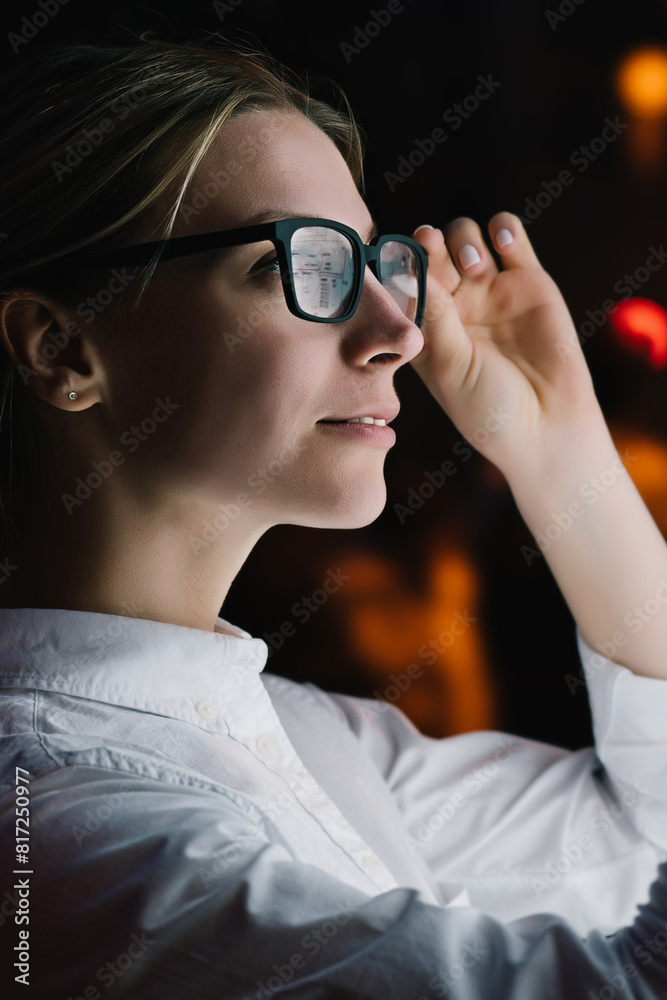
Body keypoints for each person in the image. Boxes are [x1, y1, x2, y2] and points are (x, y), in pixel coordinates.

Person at [0, 35, 666, 1000]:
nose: (402, 334)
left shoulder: (314, 740)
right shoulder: (62, 833)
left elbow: (632, 840)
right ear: (62, 349)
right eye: (306, 265)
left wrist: (557, 450)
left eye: (374, 264)